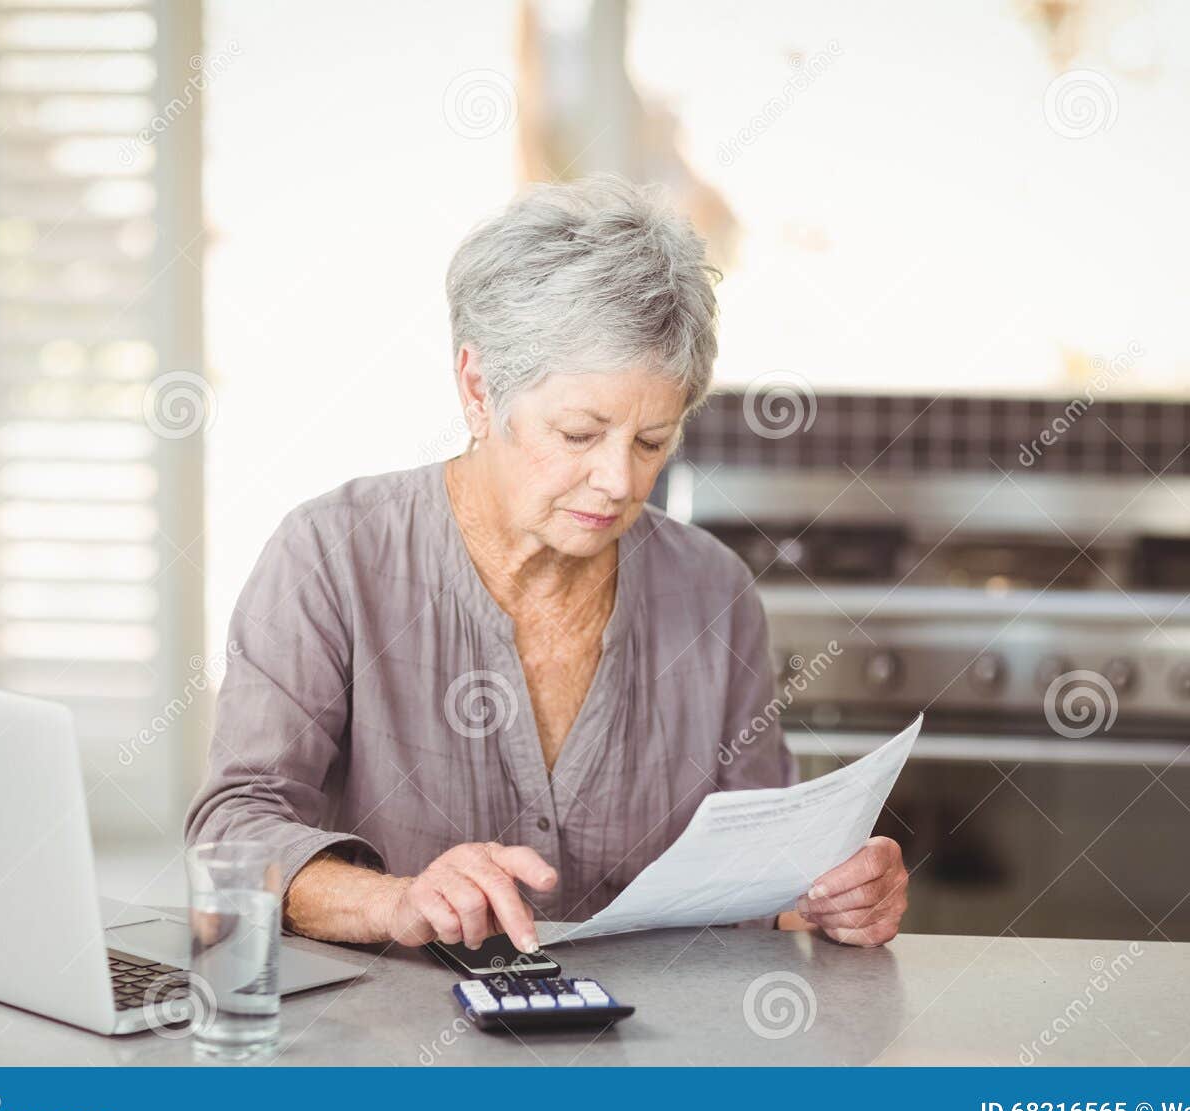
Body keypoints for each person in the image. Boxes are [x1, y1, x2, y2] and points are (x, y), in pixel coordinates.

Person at [184, 175, 908, 954]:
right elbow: (233, 830)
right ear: (478, 389)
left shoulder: (713, 593)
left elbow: (762, 880)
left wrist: (829, 898)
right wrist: (396, 902)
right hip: (391, 1026)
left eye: (652, 441)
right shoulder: (330, 557)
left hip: (650, 1029)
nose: (620, 480)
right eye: (578, 434)